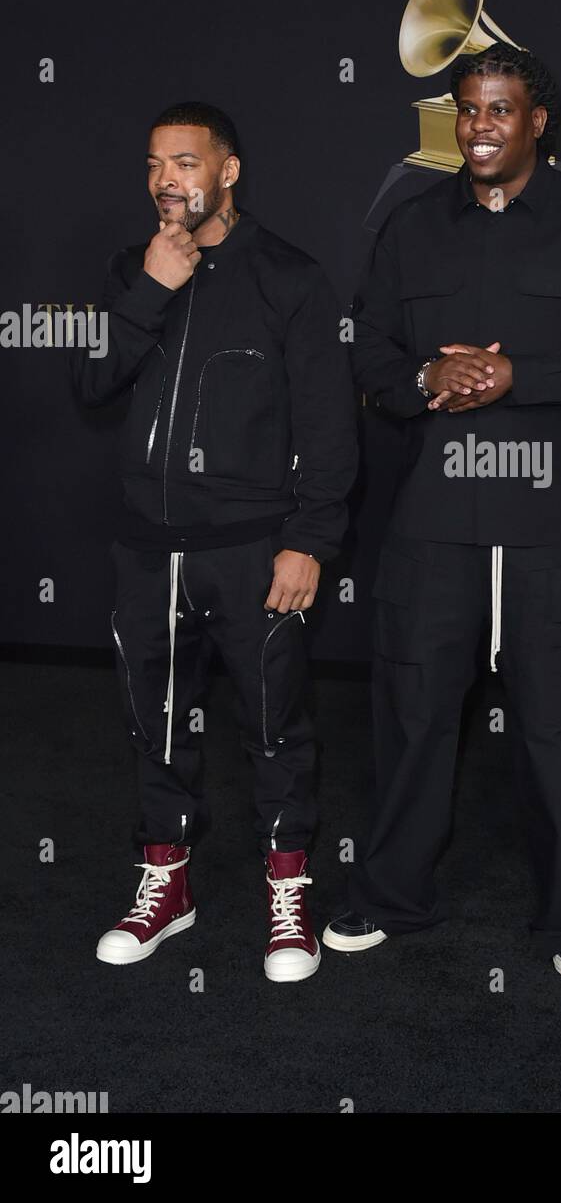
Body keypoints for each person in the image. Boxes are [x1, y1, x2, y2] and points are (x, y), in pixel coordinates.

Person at [324, 43, 561, 976]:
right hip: (432, 520)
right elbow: (369, 351)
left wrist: (518, 377)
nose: (480, 126)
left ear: (536, 121)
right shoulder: (410, 225)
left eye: (500, 109)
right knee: (412, 711)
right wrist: (427, 376)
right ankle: (392, 891)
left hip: (552, 521)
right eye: (468, 108)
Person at [72, 101, 357, 982]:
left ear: (227, 172)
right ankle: (168, 884)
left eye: (186, 163)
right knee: (154, 726)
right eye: (155, 165)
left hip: (251, 551)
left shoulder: (289, 277)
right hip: (145, 552)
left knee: (274, 729)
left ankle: (288, 892)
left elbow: (329, 424)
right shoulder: (132, 269)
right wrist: (151, 288)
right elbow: (90, 381)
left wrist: (310, 540)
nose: (167, 180)